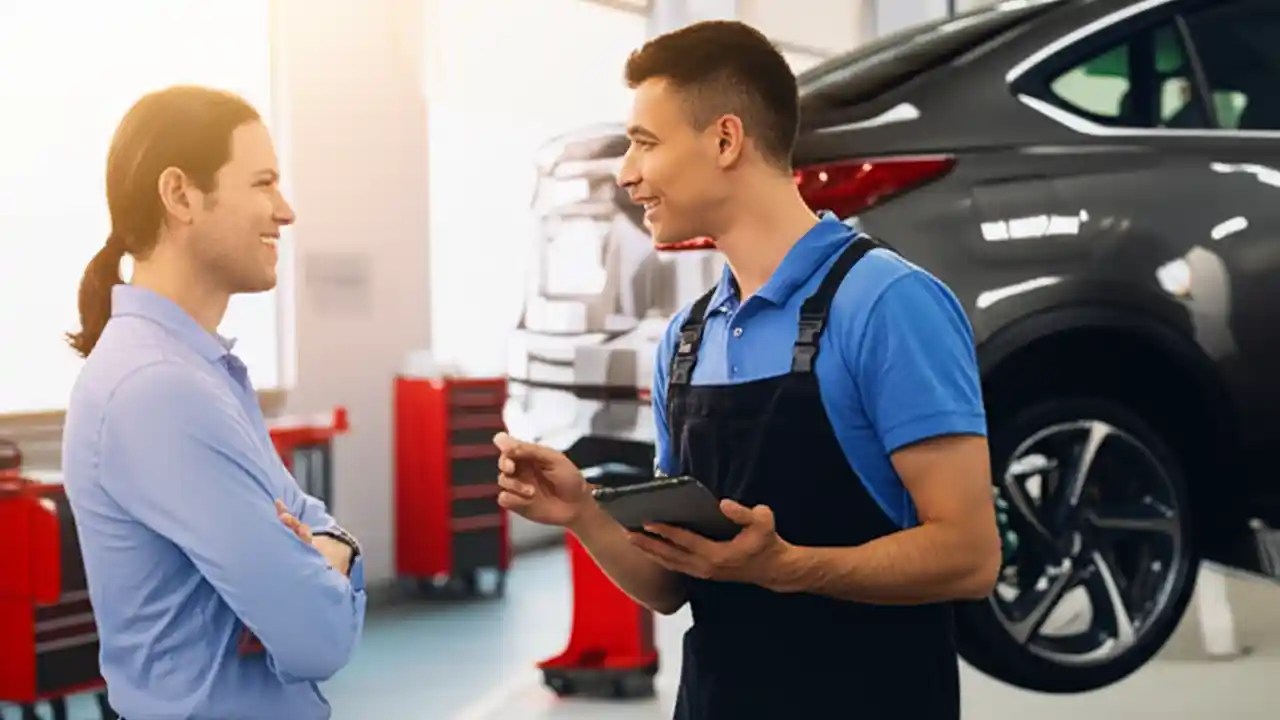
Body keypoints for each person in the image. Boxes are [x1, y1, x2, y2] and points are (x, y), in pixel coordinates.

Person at [494, 21, 1000, 719]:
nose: (625, 173)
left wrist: (790, 568)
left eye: (644, 142)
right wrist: (582, 512)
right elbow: (676, 583)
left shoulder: (889, 304)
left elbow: (970, 556)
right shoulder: (686, 338)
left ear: (725, 139)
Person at [60, 86, 365, 720]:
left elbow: (311, 520)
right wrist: (335, 555)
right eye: (262, 183)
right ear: (180, 196)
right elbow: (317, 636)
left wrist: (329, 549)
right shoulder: (157, 389)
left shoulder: (197, 371)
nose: (285, 211)